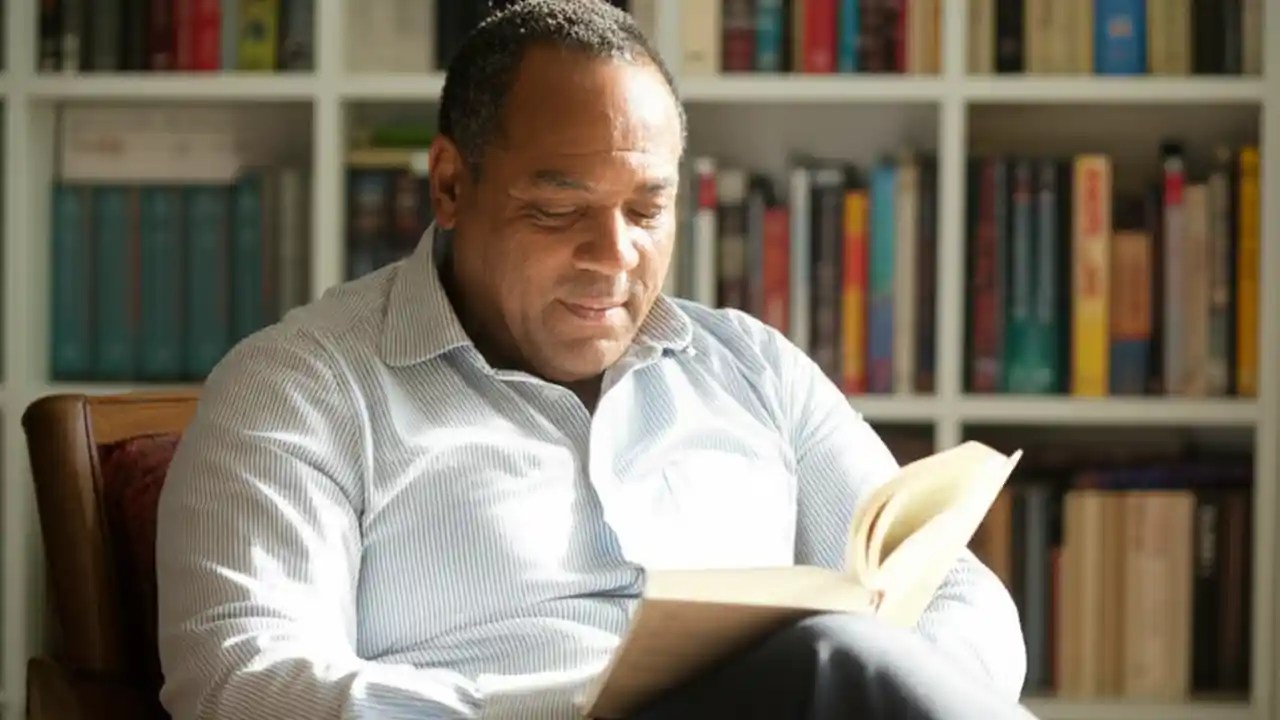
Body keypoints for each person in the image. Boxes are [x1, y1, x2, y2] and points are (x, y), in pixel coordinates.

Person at [154, 1, 1029, 718]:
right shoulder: (298, 390)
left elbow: (960, 595)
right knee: (834, 662)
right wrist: (587, 705)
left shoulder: (752, 370)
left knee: (853, 661)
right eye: (558, 209)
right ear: (451, 185)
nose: (614, 257)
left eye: (647, 212)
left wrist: (908, 677)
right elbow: (240, 684)